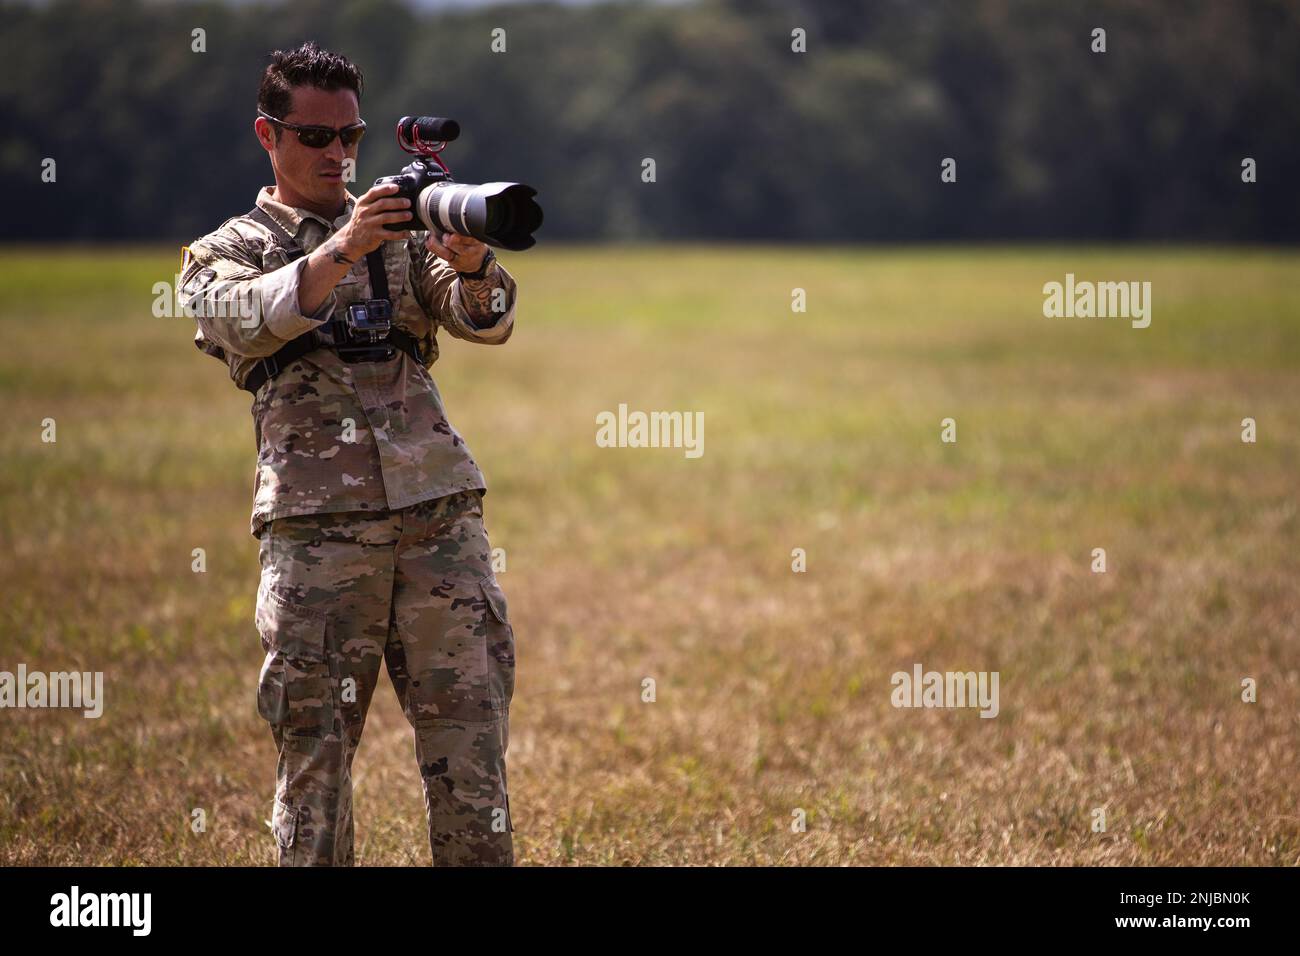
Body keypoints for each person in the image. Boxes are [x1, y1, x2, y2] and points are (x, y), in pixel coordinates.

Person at [178, 41, 518, 866]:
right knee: (315, 764)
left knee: (472, 755)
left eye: (351, 137)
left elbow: (488, 320)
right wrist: (341, 249)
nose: (338, 155)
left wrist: (472, 265)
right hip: (317, 533)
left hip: (438, 520)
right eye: (316, 138)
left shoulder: (401, 230)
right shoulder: (225, 249)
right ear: (269, 135)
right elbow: (242, 318)